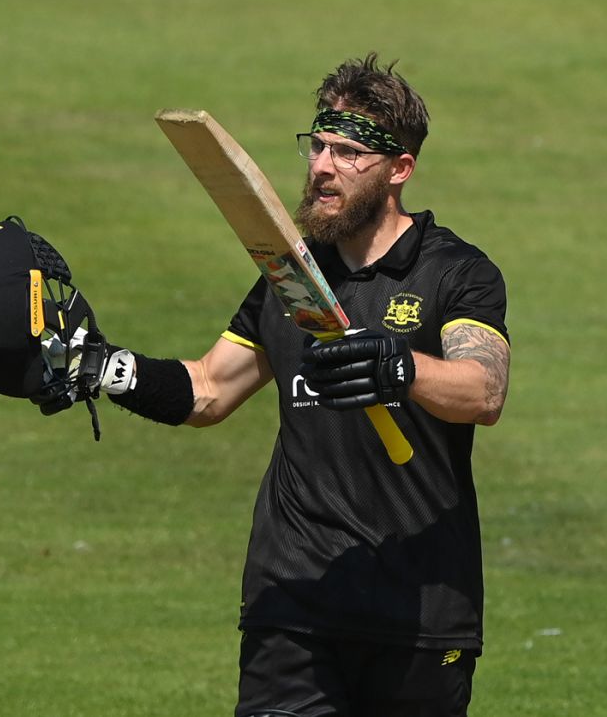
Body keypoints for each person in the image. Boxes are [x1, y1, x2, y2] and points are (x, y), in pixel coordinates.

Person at [83, 53, 508, 716]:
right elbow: (209, 389)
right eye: (318, 145)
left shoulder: (454, 273)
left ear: (399, 169)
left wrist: (398, 366)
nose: (321, 167)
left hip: (418, 611)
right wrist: (103, 368)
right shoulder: (293, 277)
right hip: (294, 600)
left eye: (348, 153)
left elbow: (484, 390)